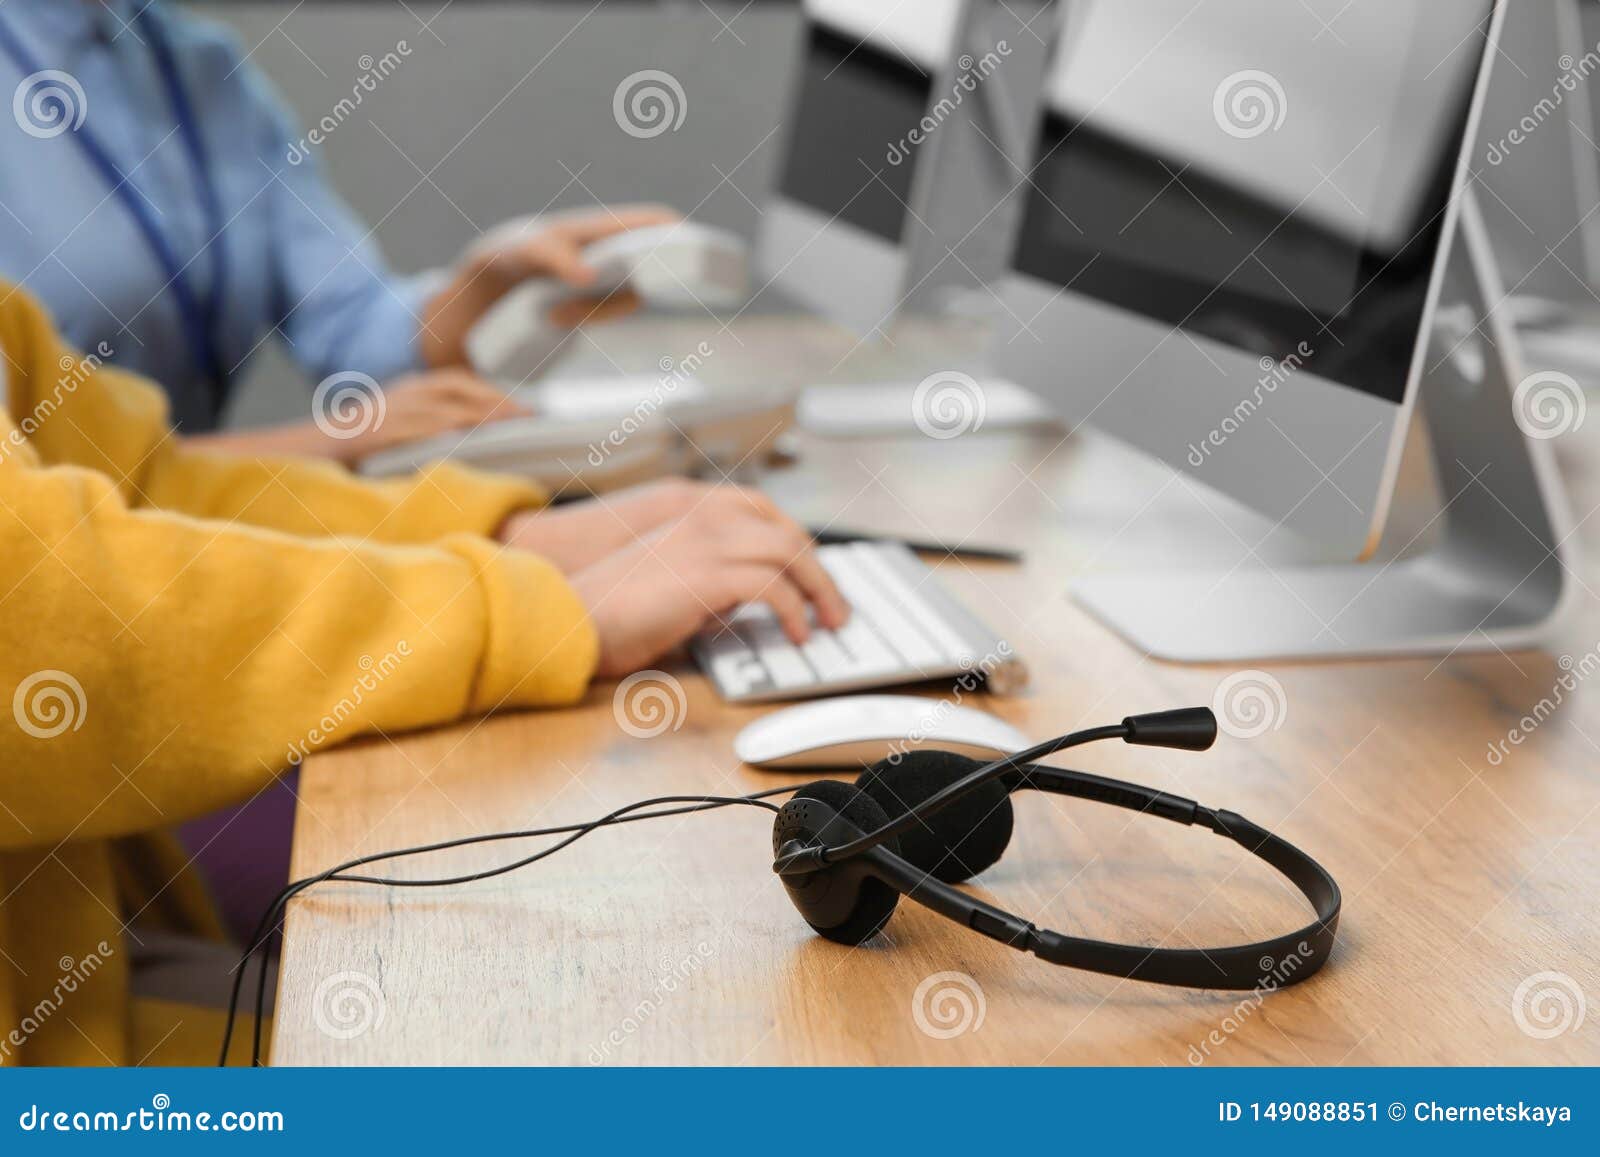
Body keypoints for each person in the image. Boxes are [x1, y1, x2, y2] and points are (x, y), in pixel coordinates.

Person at [0, 281, 848, 1065]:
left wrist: (519, 540)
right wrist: (532, 614)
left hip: (90, 957)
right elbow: (37, 617)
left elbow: (145, 486)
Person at [0, 0, 669, 463]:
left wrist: (488, 283)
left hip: (188, 544)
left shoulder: (198, 65)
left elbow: (350, 328)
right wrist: (318, 446)